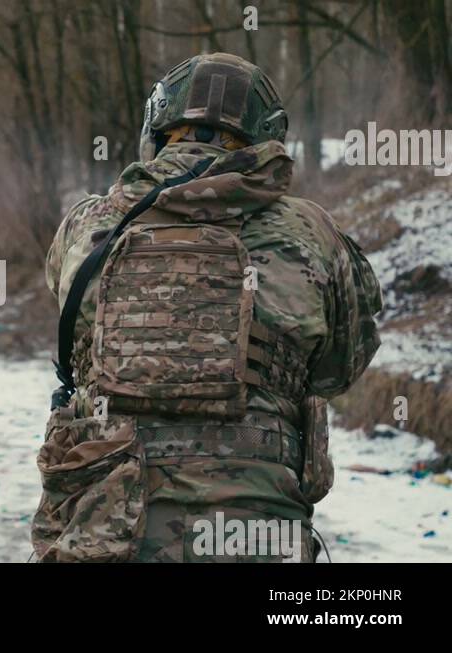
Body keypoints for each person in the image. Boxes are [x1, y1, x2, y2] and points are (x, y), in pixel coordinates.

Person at [32, 52, 382, 562]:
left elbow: (71, 328)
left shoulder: (88, 226)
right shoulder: (314, 235)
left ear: (159, 131)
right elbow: (338, 369)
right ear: (266, 139)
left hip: (107, 537)